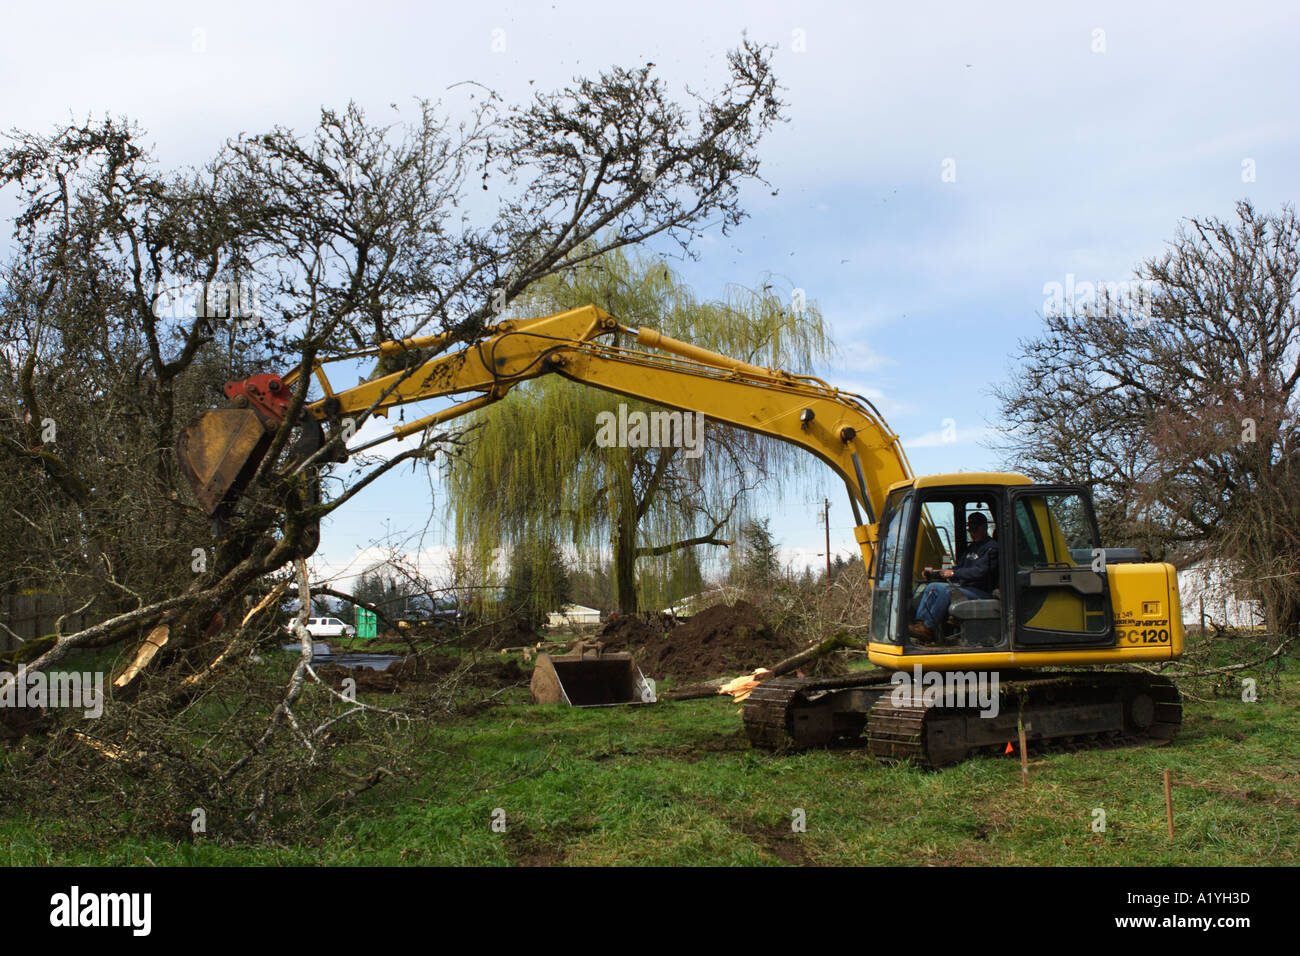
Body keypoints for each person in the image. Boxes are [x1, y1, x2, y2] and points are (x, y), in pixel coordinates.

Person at [909, 511, 998, 645]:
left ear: (984, 527)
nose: (972, 533)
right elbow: (956, 569)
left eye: (975, 529)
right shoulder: (971, 548)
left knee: (946, 591)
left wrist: (954, 574)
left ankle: (928, 627)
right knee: (932, 587)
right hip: (967, 588)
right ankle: (921, 624)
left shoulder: (991, 548)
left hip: (982, 591)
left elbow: (980, 572)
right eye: (970, 530)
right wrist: (936, 573)